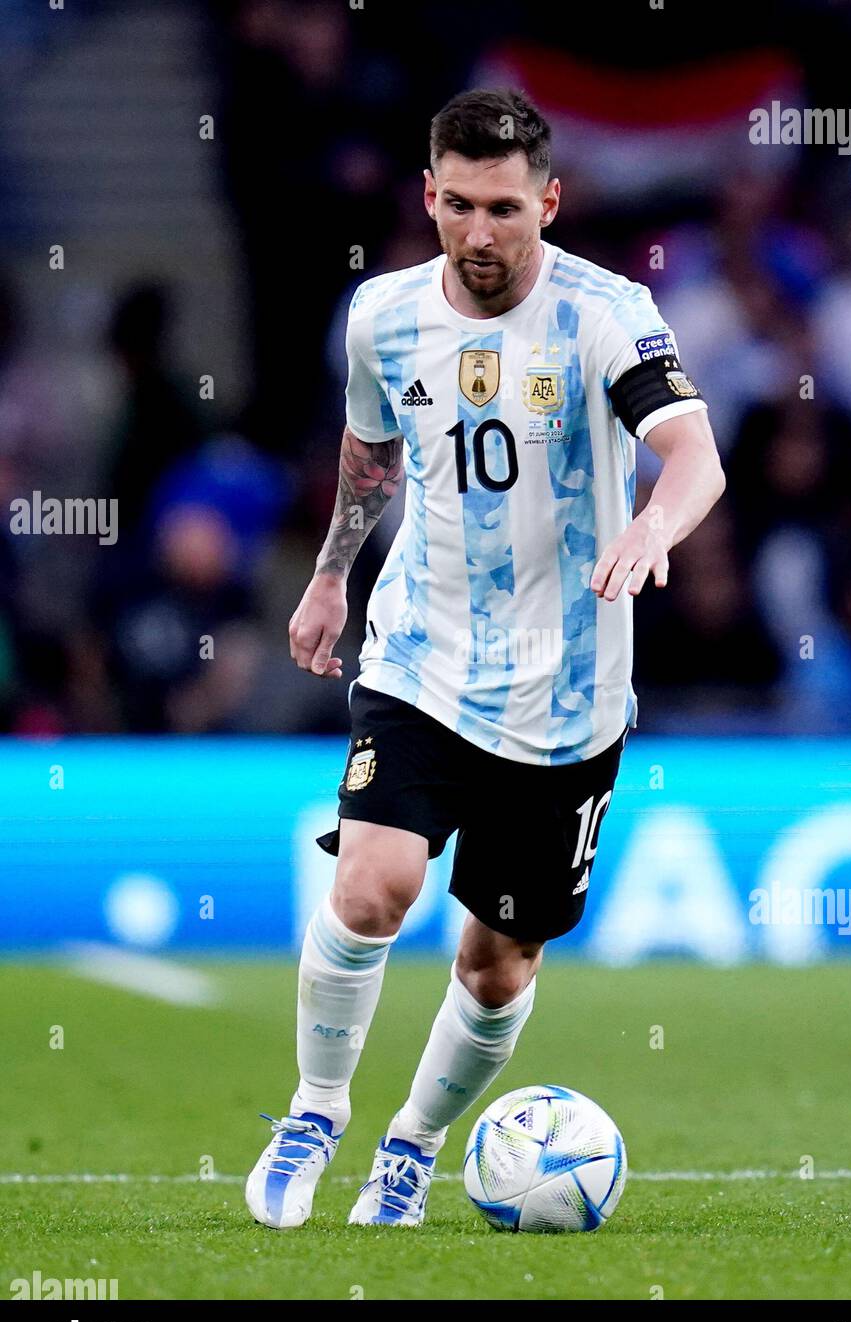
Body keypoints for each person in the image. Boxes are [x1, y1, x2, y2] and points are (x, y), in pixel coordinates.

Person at [245, 87, 725, 1229]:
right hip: (420, 654)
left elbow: (692, 452)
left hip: (567, 693)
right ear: (427, 197)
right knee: (371, 885)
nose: (478, 233)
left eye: (504, 208)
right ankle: (315, 1109)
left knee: (498, 962)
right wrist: (327, 577)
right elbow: (370, 456)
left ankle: (409, 1147)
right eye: (456, 205)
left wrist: (654, 525)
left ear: (546, 203)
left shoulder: (606, 315)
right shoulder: (382, 316)